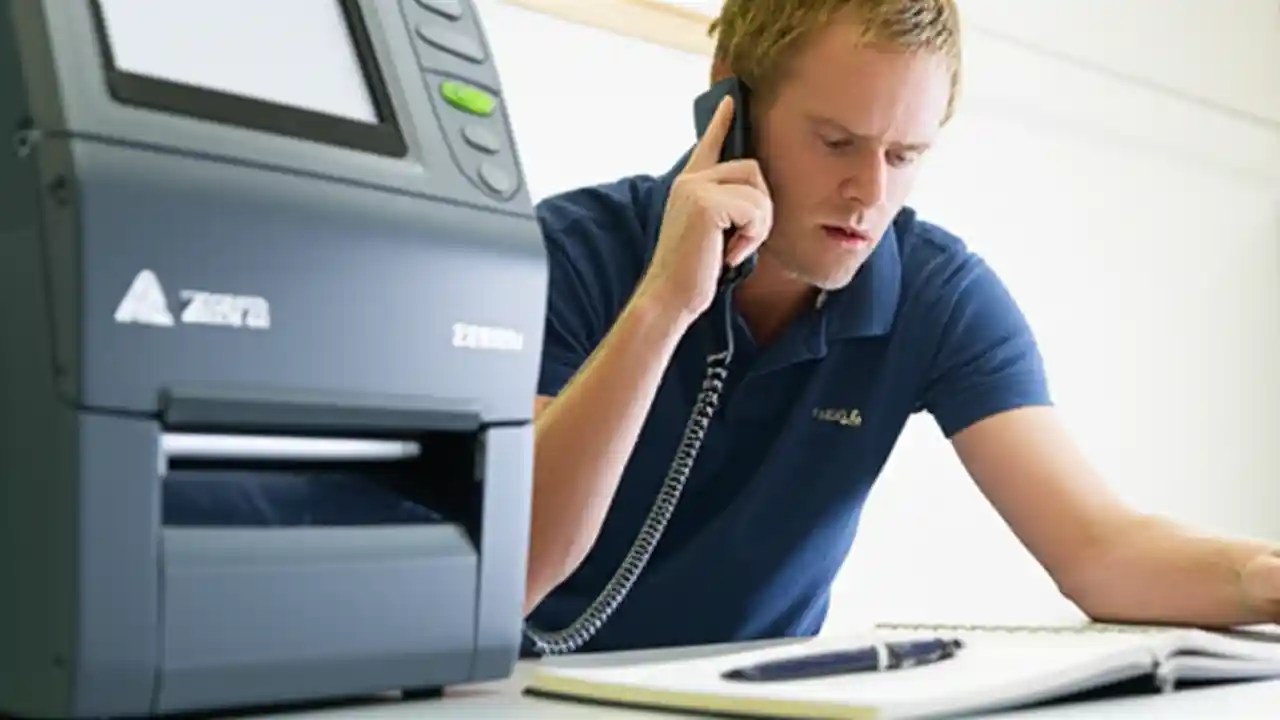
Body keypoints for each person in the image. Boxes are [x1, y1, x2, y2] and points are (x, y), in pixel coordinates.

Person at [521, 0, 1280, 655]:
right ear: (732, 98)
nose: (869, 193)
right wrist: (664, 307)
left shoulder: (937, 292)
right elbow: (515, 572)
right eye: (836, 142)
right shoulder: (567, 255)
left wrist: (1260, 578)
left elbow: (1100, 551)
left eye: (905, 154)